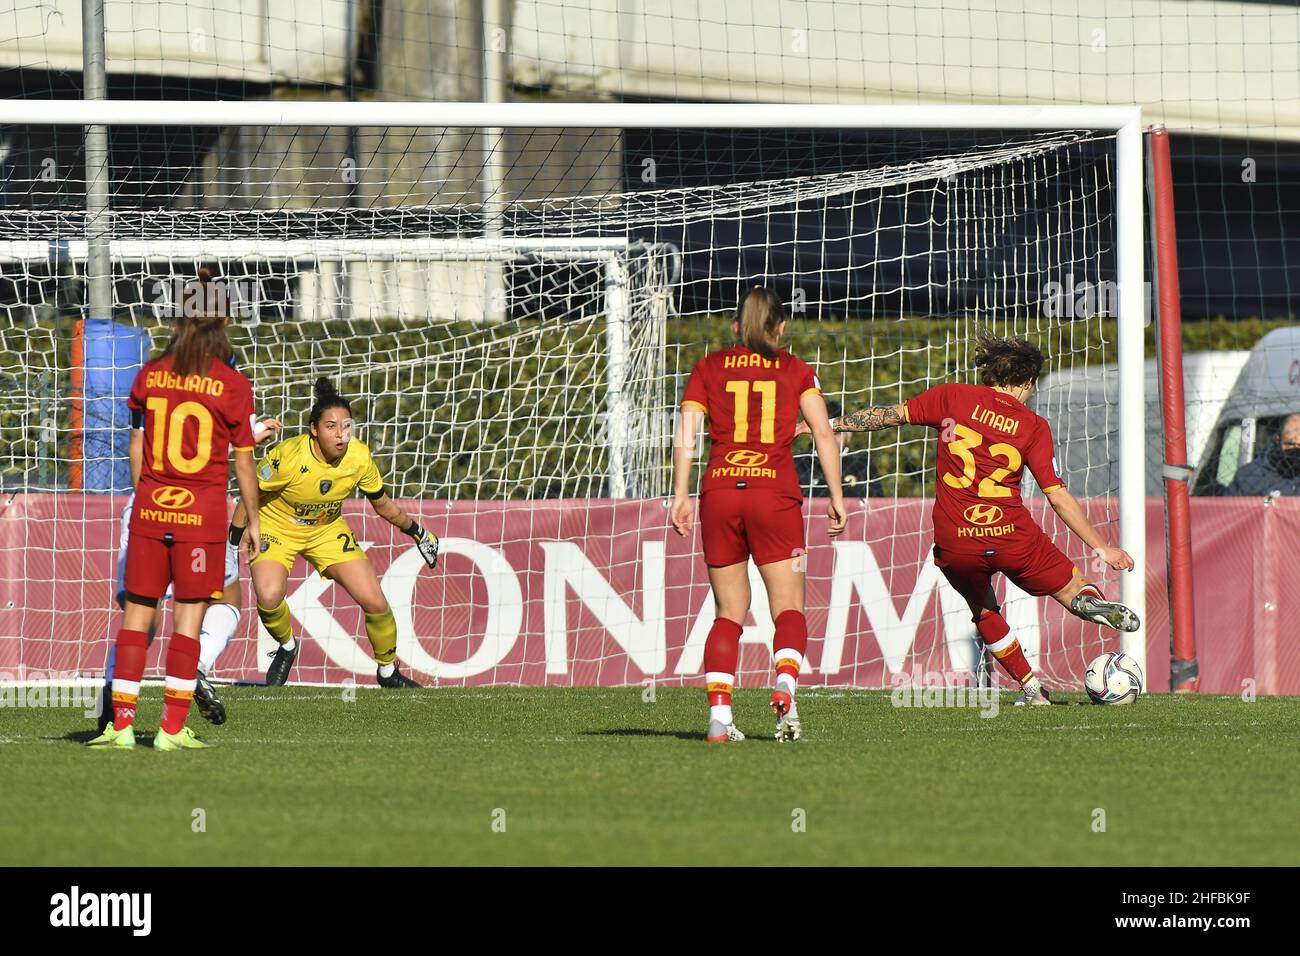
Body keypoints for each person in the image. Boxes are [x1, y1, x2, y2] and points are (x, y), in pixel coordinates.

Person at [816, 330, 1139, 705]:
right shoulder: (1033, 426)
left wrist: (833, 426)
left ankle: (1032, 689)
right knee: (1070, 588)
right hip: (1011, 534)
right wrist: (1102, 547)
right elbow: (1057, 496)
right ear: (1026, 382)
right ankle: (1087, 601)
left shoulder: (952, 397)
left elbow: (888, 416)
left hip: (957, 539)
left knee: (983, 608)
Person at [88, 285, 261, 749]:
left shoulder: (151, 374)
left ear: (178, 323)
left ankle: (120, 728)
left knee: (137, 619)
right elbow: (243, 463)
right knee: (188, 623)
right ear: (224, 324)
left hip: (149, 510)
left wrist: (148, 495)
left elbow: (137, 446)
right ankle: (169, 731)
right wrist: (256, 522)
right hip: (200, 519)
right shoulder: (232, 384)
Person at [671, 286, 846, 742]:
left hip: (721, 492)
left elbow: (687, 435)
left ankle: (719, 717)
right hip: (775, 496)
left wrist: (680, 495)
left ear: (734, 327)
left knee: (729, 611)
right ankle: (785, 684)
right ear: (781, 328)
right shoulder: (795, 369)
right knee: (788, 606)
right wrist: (837, 496)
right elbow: (824, 435)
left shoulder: (708, 367)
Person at [229, 378, 440, 688]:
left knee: (376, 603)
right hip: (276, 526)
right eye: (331, 427)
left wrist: (418, 532)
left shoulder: (359, 457)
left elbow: (382, 505)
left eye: (346, 426)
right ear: (313, 429)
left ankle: (387, 671)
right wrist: (236, 536)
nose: (341, 435)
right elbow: (251, 488)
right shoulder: (289, 455)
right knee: (270, 596)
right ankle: (287, 646)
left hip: (326, 530)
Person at [793, 398, 882, 497]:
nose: (831, 439)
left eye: (837, 434)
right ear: (811, 433)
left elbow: (877, 505)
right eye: (826, 433)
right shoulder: (797, 465)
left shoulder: (862, 465)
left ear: (849, 433)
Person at [1224, 413, 1300, 497]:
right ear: (1278, 440)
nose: (1296, 450)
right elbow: (1229, 508)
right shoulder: (1250, 476)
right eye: (1290, 444)